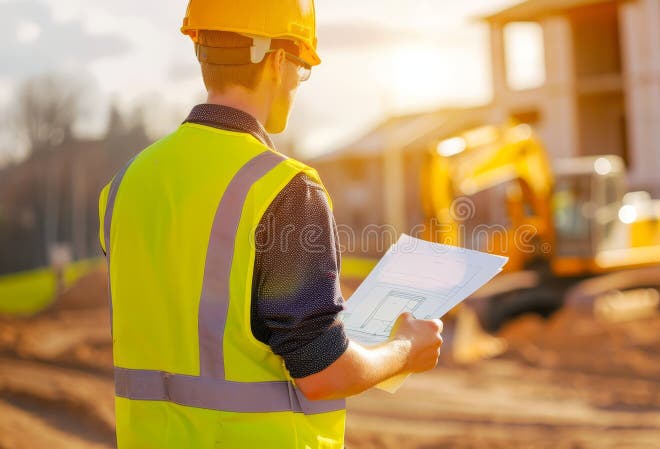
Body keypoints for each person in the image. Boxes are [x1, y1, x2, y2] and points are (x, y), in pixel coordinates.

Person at [97, 1, 443, 448]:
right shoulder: (285, 189)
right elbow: (322, 372)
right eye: (303, 68)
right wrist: (406, 350)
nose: (298, 83)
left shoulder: (125, 184)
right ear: (279, 61)